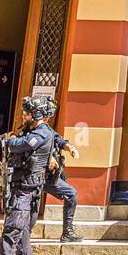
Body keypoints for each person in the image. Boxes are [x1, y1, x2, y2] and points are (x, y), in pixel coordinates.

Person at [0, 97, 54, 255]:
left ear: (36, 115)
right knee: (22, 238)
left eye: (27, 114)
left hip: (25, 192)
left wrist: (8, 140)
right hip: (19, 189)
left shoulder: (42, 133)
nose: (23, 116)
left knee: (10, 235)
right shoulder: (29, 131)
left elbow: (20, 145)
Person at [42, 96, 85, 243]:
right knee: (71, 194)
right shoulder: (35, 131)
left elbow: (59, 140)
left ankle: (67, 231)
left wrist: (70, 148)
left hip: (46, 176)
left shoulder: (46, 129)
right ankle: (67, 231)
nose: (50, 116)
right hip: (37, 176)